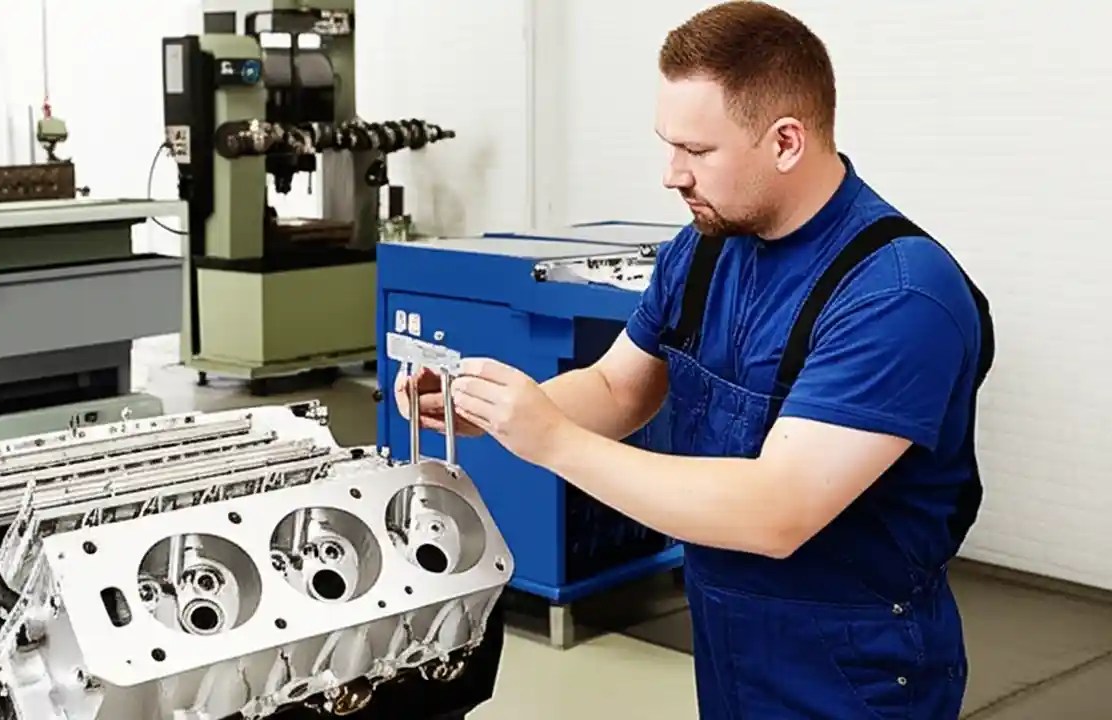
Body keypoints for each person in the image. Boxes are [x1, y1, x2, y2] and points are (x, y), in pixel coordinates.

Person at [397, 1, 995, 718]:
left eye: (697, 151)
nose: (671, 175)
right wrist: (491, 408)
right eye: (668, 145)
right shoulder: (705, 249)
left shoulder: (897, 293)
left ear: (786, 142)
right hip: (729, 640)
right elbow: (619, 387)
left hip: (854, 670)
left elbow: (777, 510)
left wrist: (550, 440)